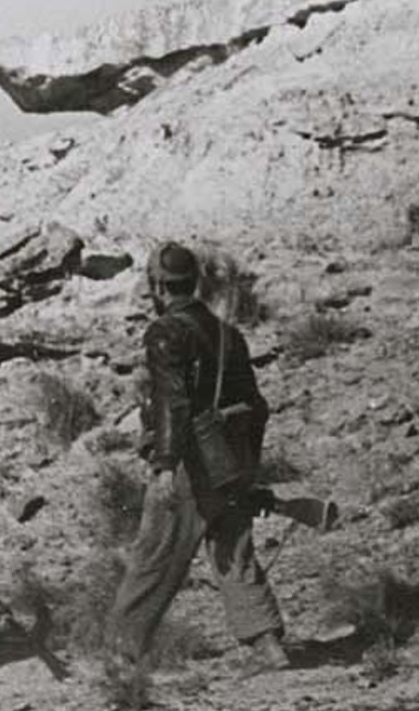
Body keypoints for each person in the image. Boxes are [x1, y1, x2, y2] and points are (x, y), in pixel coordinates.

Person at [105, 243, 291, 675]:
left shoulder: (165, 332)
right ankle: (267, 645)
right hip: (231, 459)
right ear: (195, 282)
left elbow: (174, 403)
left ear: (157, 287)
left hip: (191, 463)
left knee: (156, 553)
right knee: (232, 548)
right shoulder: (229, 334)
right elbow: (256, 405)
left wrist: (167, 465)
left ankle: (121, 653)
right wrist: (246, 464)